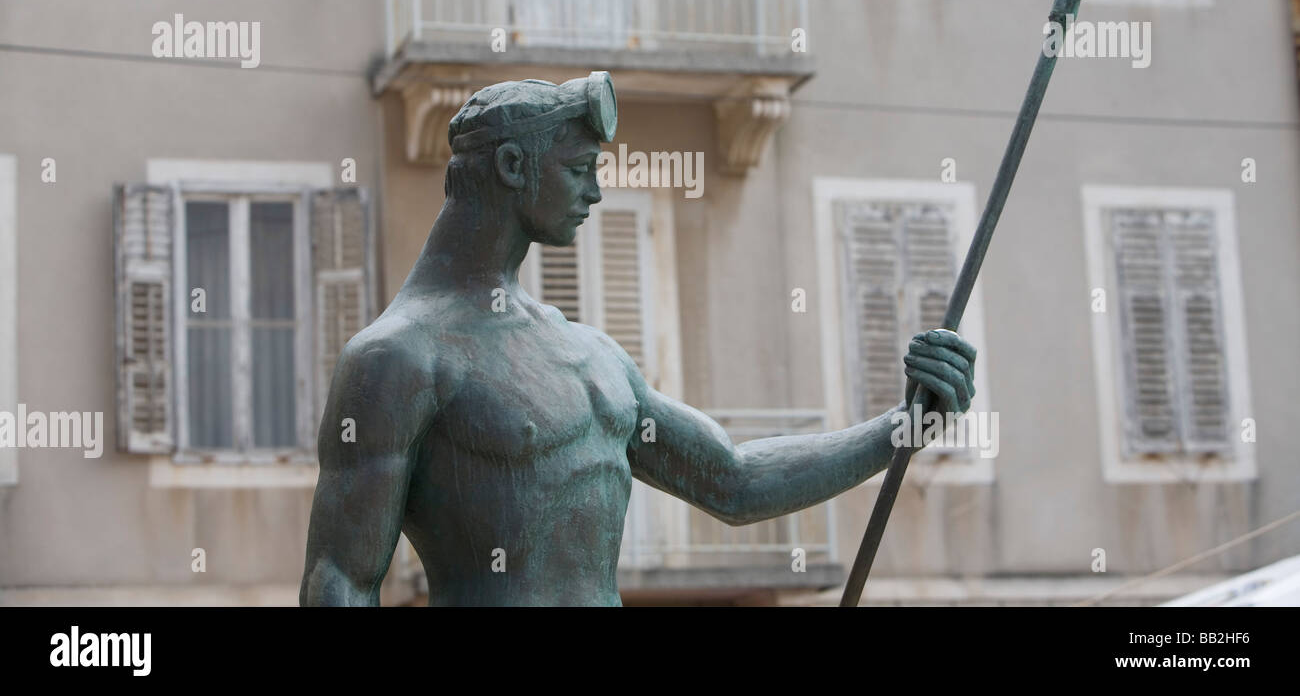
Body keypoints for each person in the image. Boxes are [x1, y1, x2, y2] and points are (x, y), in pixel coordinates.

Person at [300, 72, 976, 606]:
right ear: (511, 165)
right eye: (577, 168)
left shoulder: (593, 356)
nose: (595, 192)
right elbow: (342, 580)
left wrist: (900, 427)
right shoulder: (398, 358)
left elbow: (733, 481)